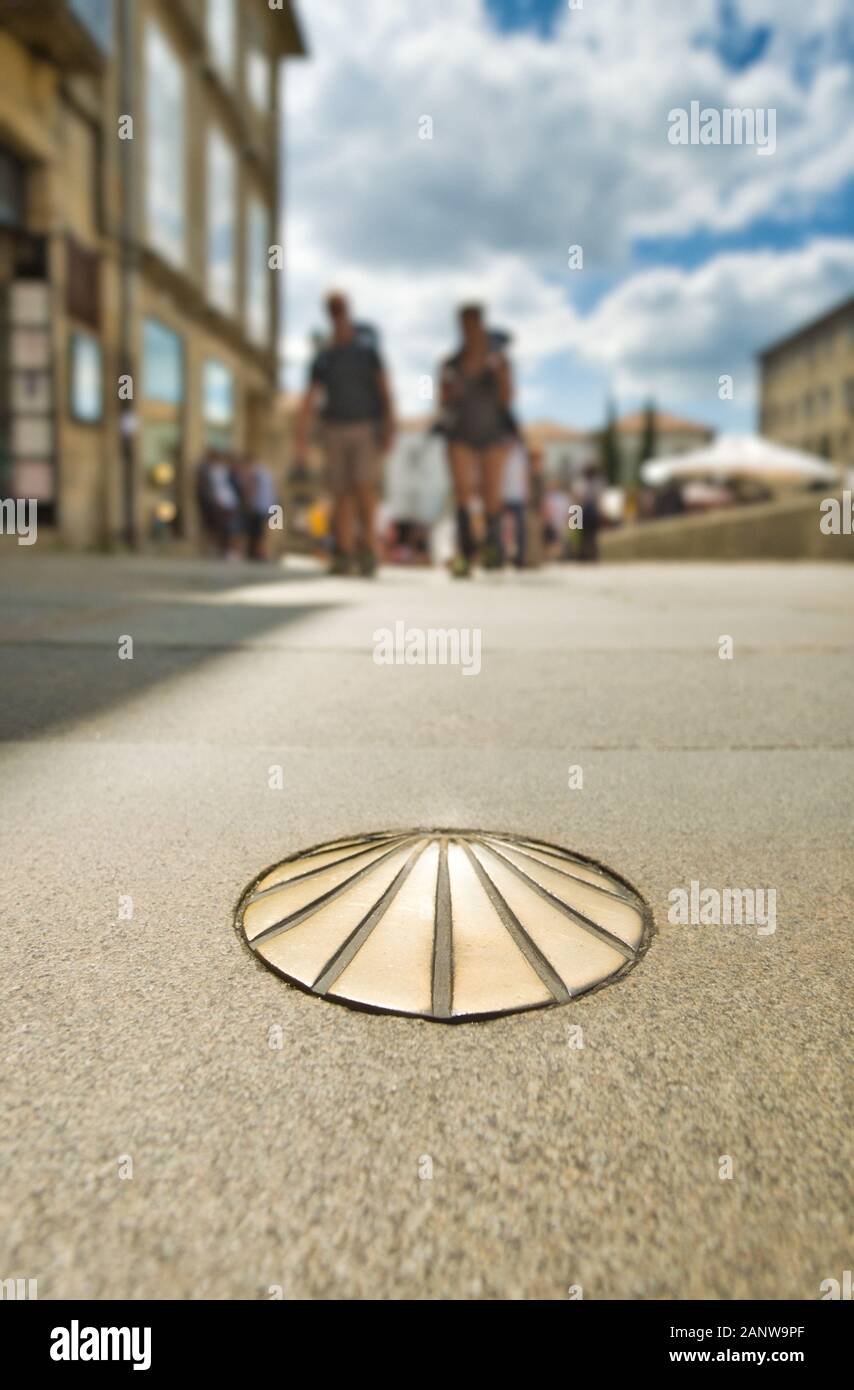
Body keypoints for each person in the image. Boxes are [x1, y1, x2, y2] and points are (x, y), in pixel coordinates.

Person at [294, 291, 394, 576]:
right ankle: (344, 550)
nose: (337, 314)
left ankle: (369, 549)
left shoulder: (367, 351)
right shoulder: (324, 355)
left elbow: (384, 390)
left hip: (364, 426)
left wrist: (389, 425)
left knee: (364, 487)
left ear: (348, 311)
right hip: (333, 427)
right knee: (340, 492)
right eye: (332, 309)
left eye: (340, 309)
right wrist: (301, 436)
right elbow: (310, 397)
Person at [440, 304, 513, 576]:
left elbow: (507, 399)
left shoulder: (498, 361)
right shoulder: (450, 363)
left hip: (492, 432)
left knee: (492, 493)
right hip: (460, 432)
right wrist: (449, 390)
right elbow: (439, 401)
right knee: (462, 492)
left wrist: (501, 373)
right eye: (465, 325)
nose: (469, 330)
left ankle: (493, 549)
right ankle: (466, 552)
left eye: (473, 324)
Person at [196, 449, 242, 559]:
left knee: (230, 527)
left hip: (228, 502)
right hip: (217, 502)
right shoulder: (209, 470)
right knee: (219, 527)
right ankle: (220, 549)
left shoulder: (224, 470)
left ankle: (230, 550)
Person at [501, 427, 530, 568]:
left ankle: (520, 558)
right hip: (502, 494)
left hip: (517, 495)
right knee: (502, 528)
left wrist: (526, 493)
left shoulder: (521, 452)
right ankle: (500, 556)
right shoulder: (500, 449)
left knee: (520, 528)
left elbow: (525, 474)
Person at [240, 455, 277, 561]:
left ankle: (257, 552)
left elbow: (252, 488)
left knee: (256, 532)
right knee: (263, 531)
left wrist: (248, 502)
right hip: (269, 506)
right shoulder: (266, 472)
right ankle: (261, 552)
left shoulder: (255, 472)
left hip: (258, 506)